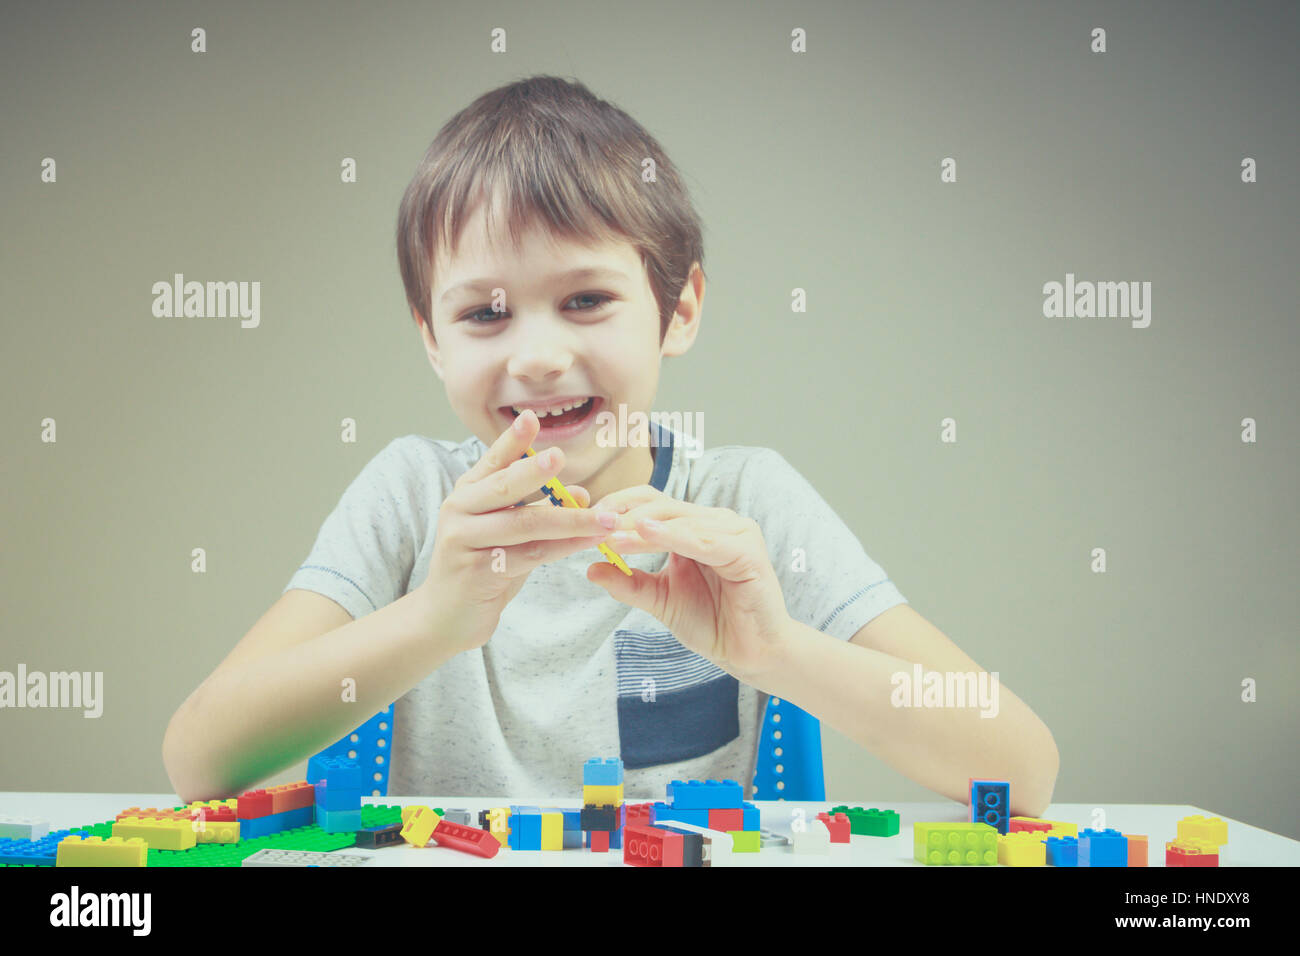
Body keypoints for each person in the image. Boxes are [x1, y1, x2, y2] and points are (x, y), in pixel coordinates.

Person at [163, 75, 1058, 815]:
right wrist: (430, 618)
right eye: (484, 313)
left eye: (586, 300)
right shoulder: (408, 496)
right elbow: (199, 762)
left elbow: (1023, 767)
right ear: (432, 338)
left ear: (681, 310)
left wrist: (778, 650)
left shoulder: (747, 500)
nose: (540, 355)